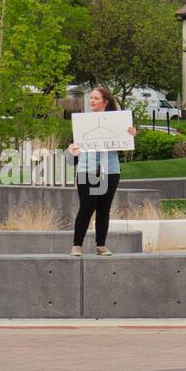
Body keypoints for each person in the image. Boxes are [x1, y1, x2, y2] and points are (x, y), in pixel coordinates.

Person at [67, 86, 136, 255]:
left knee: (104, 208)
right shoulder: (83, 123)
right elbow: (73, 144)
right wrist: (71, 149)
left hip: (110, 170)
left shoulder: (117, 122)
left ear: (105, 102)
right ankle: (77, 245)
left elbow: (124, 143)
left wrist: (131, 134)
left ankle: (101, 245)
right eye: (91, 98)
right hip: (87, 169)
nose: (92, 101)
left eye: (96, 98)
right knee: (87, 207)